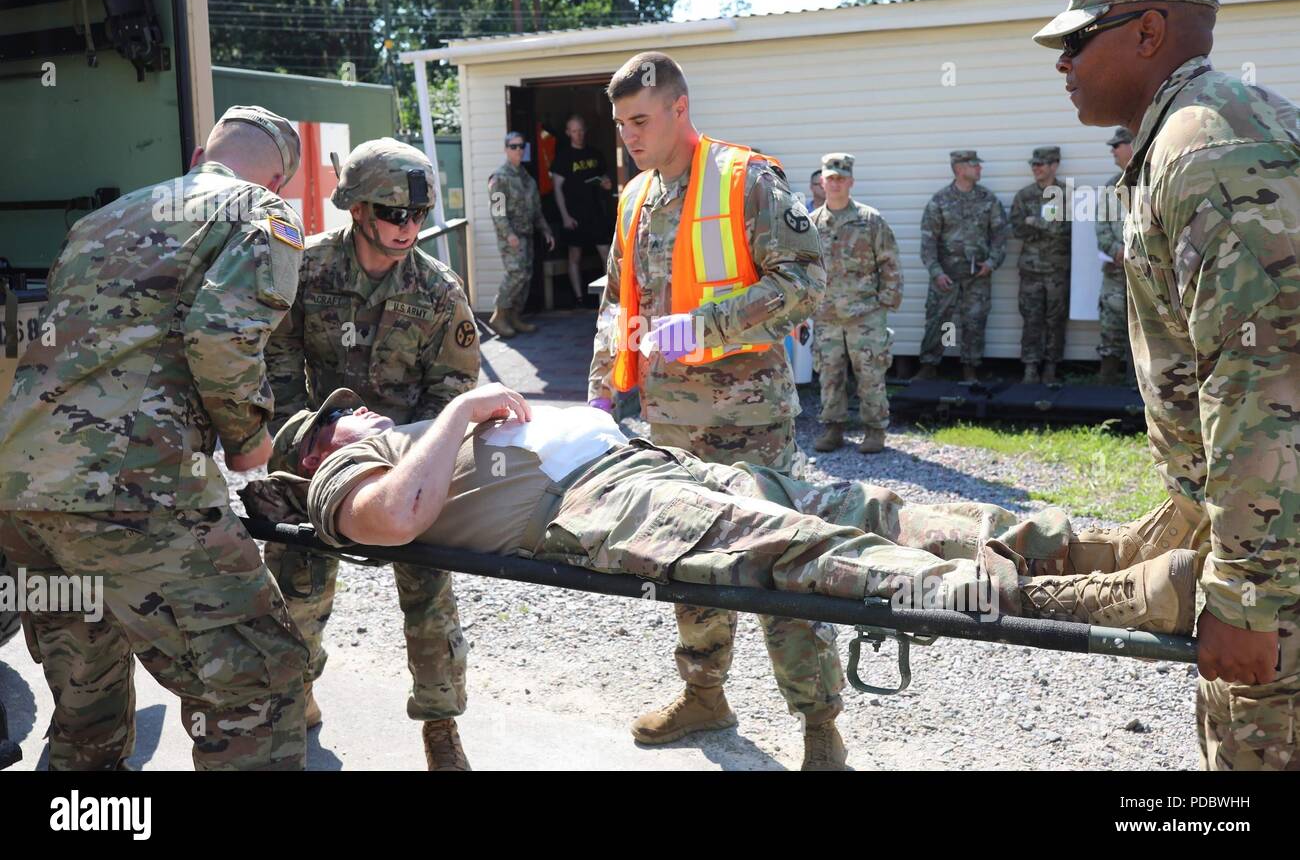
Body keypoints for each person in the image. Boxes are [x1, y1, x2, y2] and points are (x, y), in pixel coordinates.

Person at [237, 384, 1201, 770]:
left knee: (860, 507)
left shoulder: (396, 437)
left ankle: (1094, 544)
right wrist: (450, 418)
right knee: (820, 557)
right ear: (316, 449)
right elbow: (395, 522)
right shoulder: (349, 478)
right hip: (600, 507)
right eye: (336, 419)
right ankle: (1087, 598)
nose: (356, 412)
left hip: (641, 463)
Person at [1036, 0, 1300, 771]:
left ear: (1149, 31)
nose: (1064, 65)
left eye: (1078, 42)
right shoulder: (1226, 124)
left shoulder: (1207, 154)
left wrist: (1245, 596)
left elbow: (1262, 383)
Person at [0, 106, 310, 770]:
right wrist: (249, 441)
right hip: (133, 487)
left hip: (21, 491)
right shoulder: (260, 213)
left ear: (199, 156)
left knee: (88, 705)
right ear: (278, 180)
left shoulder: (98, 222)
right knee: (261, 681)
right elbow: (222, 336)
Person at [586, 51, 849, 768]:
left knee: (775, 566)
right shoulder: (637, 197)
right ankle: (705, 693)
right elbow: (617, 302)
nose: (630, 137)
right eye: (620, 125)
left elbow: (806, 281)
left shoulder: (745, 180)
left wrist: (708, 327)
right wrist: (601, 395)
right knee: (687, 562)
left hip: (749, 423)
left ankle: (819, 725)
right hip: (669, 425)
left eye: (640, 120)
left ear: (679, 108)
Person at [263, 137, 481, 769]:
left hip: (408, 462)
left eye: (418, 215)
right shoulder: (306, 269)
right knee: (294, 592)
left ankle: (441, 728)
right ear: (357, 209)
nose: (408, 227)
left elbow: (455, 390)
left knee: (430, 600)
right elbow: (275, 358)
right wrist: (292, 438)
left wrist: (419, 457)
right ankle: (295, 693)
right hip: (318, 456)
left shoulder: (439, 290)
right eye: (394, 214)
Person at [809, 153, 902, 454]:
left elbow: (889, 263)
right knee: (829, 374)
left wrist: (885, 304)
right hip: (826, 314)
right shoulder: (810, 224)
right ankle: (833, 429)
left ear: (851, 182)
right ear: (821, 182)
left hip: (865, 314)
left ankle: (875, 431)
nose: (834, 183)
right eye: (829, 178)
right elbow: (804, 268)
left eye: (840, 178)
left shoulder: (869, 220)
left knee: (871, 374)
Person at [916, 151, 1009, 381]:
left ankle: (970, 368)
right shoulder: (940, 201)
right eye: (974, 165)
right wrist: (936, 272)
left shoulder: (988, 200)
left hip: (978, 276)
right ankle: (930, 366)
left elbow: (1000, 235)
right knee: (940, 322)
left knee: (974, 322)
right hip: (946, 276)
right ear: (959, 169)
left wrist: (991, 263)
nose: (979, 169)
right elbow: (928, 242)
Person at [1010, 146, 1072, 384]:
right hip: (1031, 271)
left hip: (1058, 270)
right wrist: (1047, 226)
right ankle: (1030, 367)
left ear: (1054, 165)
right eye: (1033, 165)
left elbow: (1067, 230)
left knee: (1056, 321)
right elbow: (1017, 229)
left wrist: (1036, 222)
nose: (1036, 168)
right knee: (1031, 319)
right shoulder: (1024, 196)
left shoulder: (1068, 194)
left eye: (1041, 164)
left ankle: (1051, 367)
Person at [488, 132, 555, 338]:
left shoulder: (527, 179)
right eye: (514, 146)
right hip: (511, 237)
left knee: (525, 277)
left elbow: (536, 211)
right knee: (515, 274)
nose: (518, 150)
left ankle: (514, 316)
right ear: (506, 149)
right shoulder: (499, 178)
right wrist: (508, 235)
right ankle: (499, 316)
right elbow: (498, 212)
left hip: (526, 235)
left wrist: (546, 230)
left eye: (521, 146)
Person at [550, 114, 614, 306]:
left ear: (585, 131)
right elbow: (557, 188)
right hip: (574, 215)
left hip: (596, 212)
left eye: (581, 130)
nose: (578, 134)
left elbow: (607, 181)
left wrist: (606, 184)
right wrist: (565, 217)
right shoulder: (563, 158)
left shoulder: (595, 154)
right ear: (568, 132)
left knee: (606, 254)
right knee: (574, 256)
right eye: (574, 131)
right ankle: (579, 298)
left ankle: (609, 298)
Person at [1096, 128, 1134, 383]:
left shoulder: (1153, 181)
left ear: (1133, 145)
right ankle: (1107, 381)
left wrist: (1135, 252)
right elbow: (1100, 225)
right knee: (1111, 323)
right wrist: (1115, 250)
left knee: (1143, 327)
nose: (1112, 150)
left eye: (1117, 145)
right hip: (1115, 270)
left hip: (1145, 273)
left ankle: (1138, 385)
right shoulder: (1112, 186)